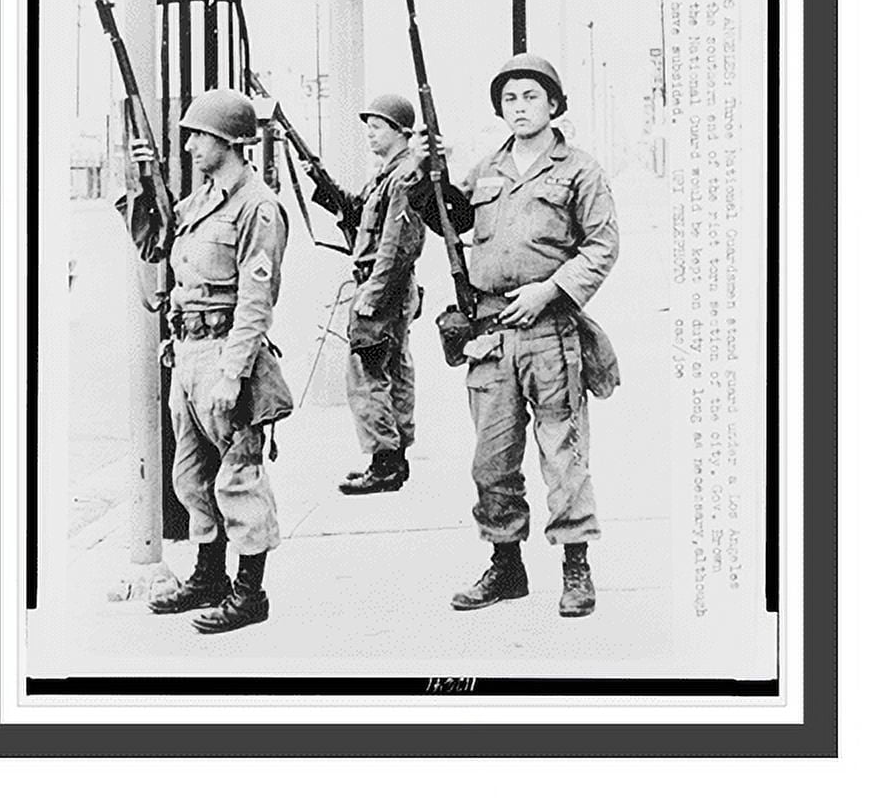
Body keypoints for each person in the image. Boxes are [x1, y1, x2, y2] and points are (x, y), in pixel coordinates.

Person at [406, 55, 619, 617]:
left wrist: (550, 290)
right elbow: (450, 219)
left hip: (549, 330)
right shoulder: (485, 170)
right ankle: (506, 566)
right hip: (491, 332)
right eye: (509, 100)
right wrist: (427, 175)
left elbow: (602, 247)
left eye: (530, 97)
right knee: (492, 458)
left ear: (553, 104)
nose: (519, 108)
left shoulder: (580, 170)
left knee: (562, 453)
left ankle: (575, 567)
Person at [131, 88, 292, 634]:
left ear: (226, 139)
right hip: (190, 351)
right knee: (193, 474)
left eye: (199, 135)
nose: (192, 145)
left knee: (240, 477)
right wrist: (140, 188)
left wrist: (233, 371)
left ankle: (250, 594)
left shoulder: (257, 206)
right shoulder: (200, 202)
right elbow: (157, 248)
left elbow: (256, 299)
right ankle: (209, 575)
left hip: (227, 353)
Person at [311, 94, 426, 495]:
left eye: (377, 127)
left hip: (383, 284)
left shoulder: (406, 175)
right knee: (390, 368)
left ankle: (385, 463)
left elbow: (397, 244)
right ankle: (394, 460)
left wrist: (372, 294)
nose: (370, 135)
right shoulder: (389, 173)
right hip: (385, 283)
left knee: (368, 372)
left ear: (400, 132)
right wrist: (322, 184)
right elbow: (362, 214)